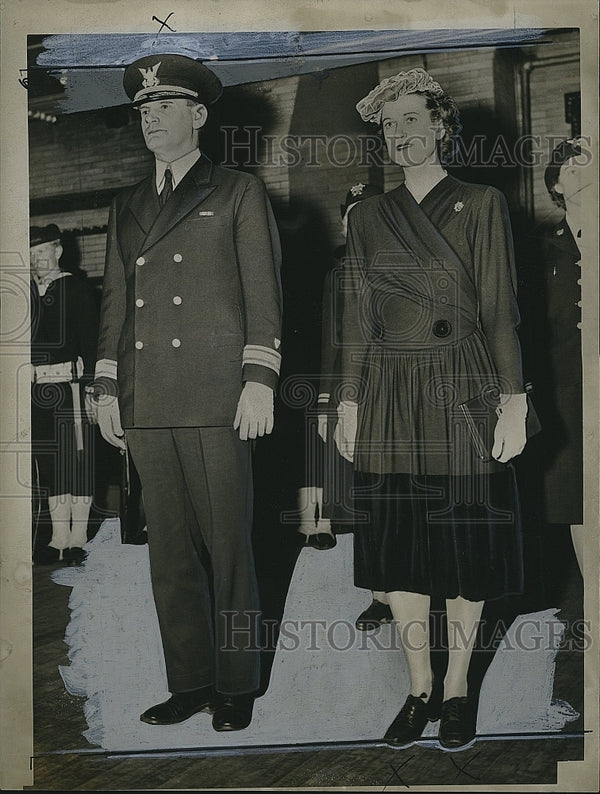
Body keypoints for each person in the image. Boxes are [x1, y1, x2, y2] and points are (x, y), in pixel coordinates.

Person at [334, 68, 529, 750]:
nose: (400, 134)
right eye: (389, 126)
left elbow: (500, 310)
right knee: (400, 549)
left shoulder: (481, 203)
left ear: (441, 126)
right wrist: (347, 400)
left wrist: (513, 402)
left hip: (461, 383)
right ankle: (418, 687)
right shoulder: (367, 216)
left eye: (412, 119)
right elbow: (356, 320)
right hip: (389, 389)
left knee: (464, 543)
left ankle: (457, 689)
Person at [91, 53, 282, 733]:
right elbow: (116, 304)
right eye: (143, 110)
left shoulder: (237, 191)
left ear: (199, 115)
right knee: (168, 552)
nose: (151, 119)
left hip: (215, 396)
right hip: (147, 399)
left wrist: (259, 381)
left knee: (228, 548)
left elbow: (263, 294)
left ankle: (236, 683)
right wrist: (107, 388)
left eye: (164, 107)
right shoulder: (127, 204)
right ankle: (191, 680)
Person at [316, 182, 393, 630]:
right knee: (367, 499)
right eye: (352, 215)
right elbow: (332, 344)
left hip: (401, 395)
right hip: (355, 399)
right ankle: (380, 595)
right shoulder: (339, 274)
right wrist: (328, 404)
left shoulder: (403, 262)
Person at [523, 138, 589, 575]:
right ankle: (591, 592)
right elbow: (530, 327)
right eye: (571, 168)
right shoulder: (542, 250)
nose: (583, 175)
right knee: (577, 501)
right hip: (567, 394)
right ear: (556, 186)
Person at [30, 224, 99, 566]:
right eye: (30, 255)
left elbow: (91, 342)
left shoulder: (77, 289)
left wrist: (92, 389)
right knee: (51, 463)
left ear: (57, 251)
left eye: (41, 252)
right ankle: (58, 538)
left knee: (77, 462)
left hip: (71, 389)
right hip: (37, 392)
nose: (35, 260)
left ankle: (78, 537)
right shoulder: (25, 294)